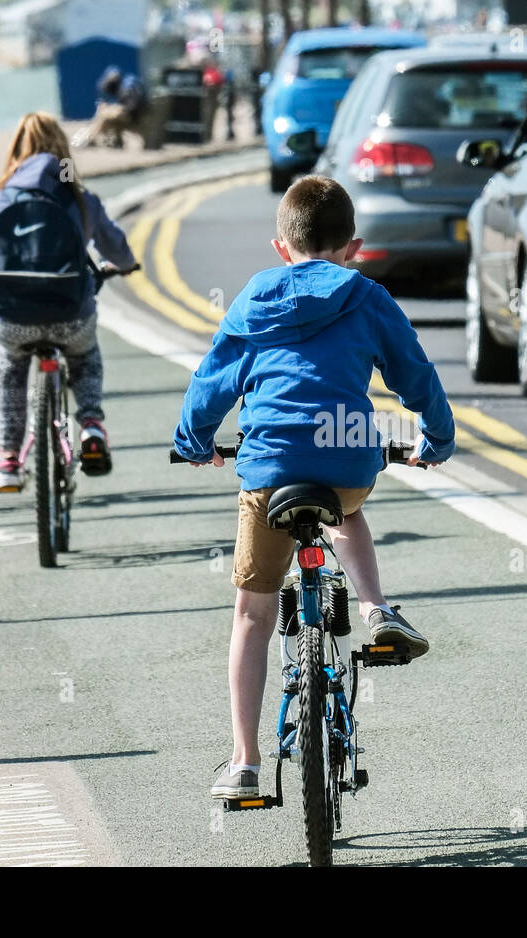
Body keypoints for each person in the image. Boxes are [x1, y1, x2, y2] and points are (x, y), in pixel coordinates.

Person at [172, 176, 455, 800]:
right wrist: (436, 438)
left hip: (270, 470)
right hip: (347, 461)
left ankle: (244, 762)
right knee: (345, 512)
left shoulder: (253, 298)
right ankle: (376, 608)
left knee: (252, 613)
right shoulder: (367, 295)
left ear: (281, 246)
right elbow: (415, 373)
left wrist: (194, 441)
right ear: (352, 246)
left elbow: (212, 379)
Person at [0, 112, 136, 492]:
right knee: (85, 353)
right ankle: (90, 424)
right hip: (69, 313)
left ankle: (9, 457)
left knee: (10, 366)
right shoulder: (80, 199)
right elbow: (117, 249)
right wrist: (125, 265)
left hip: (11, 319)